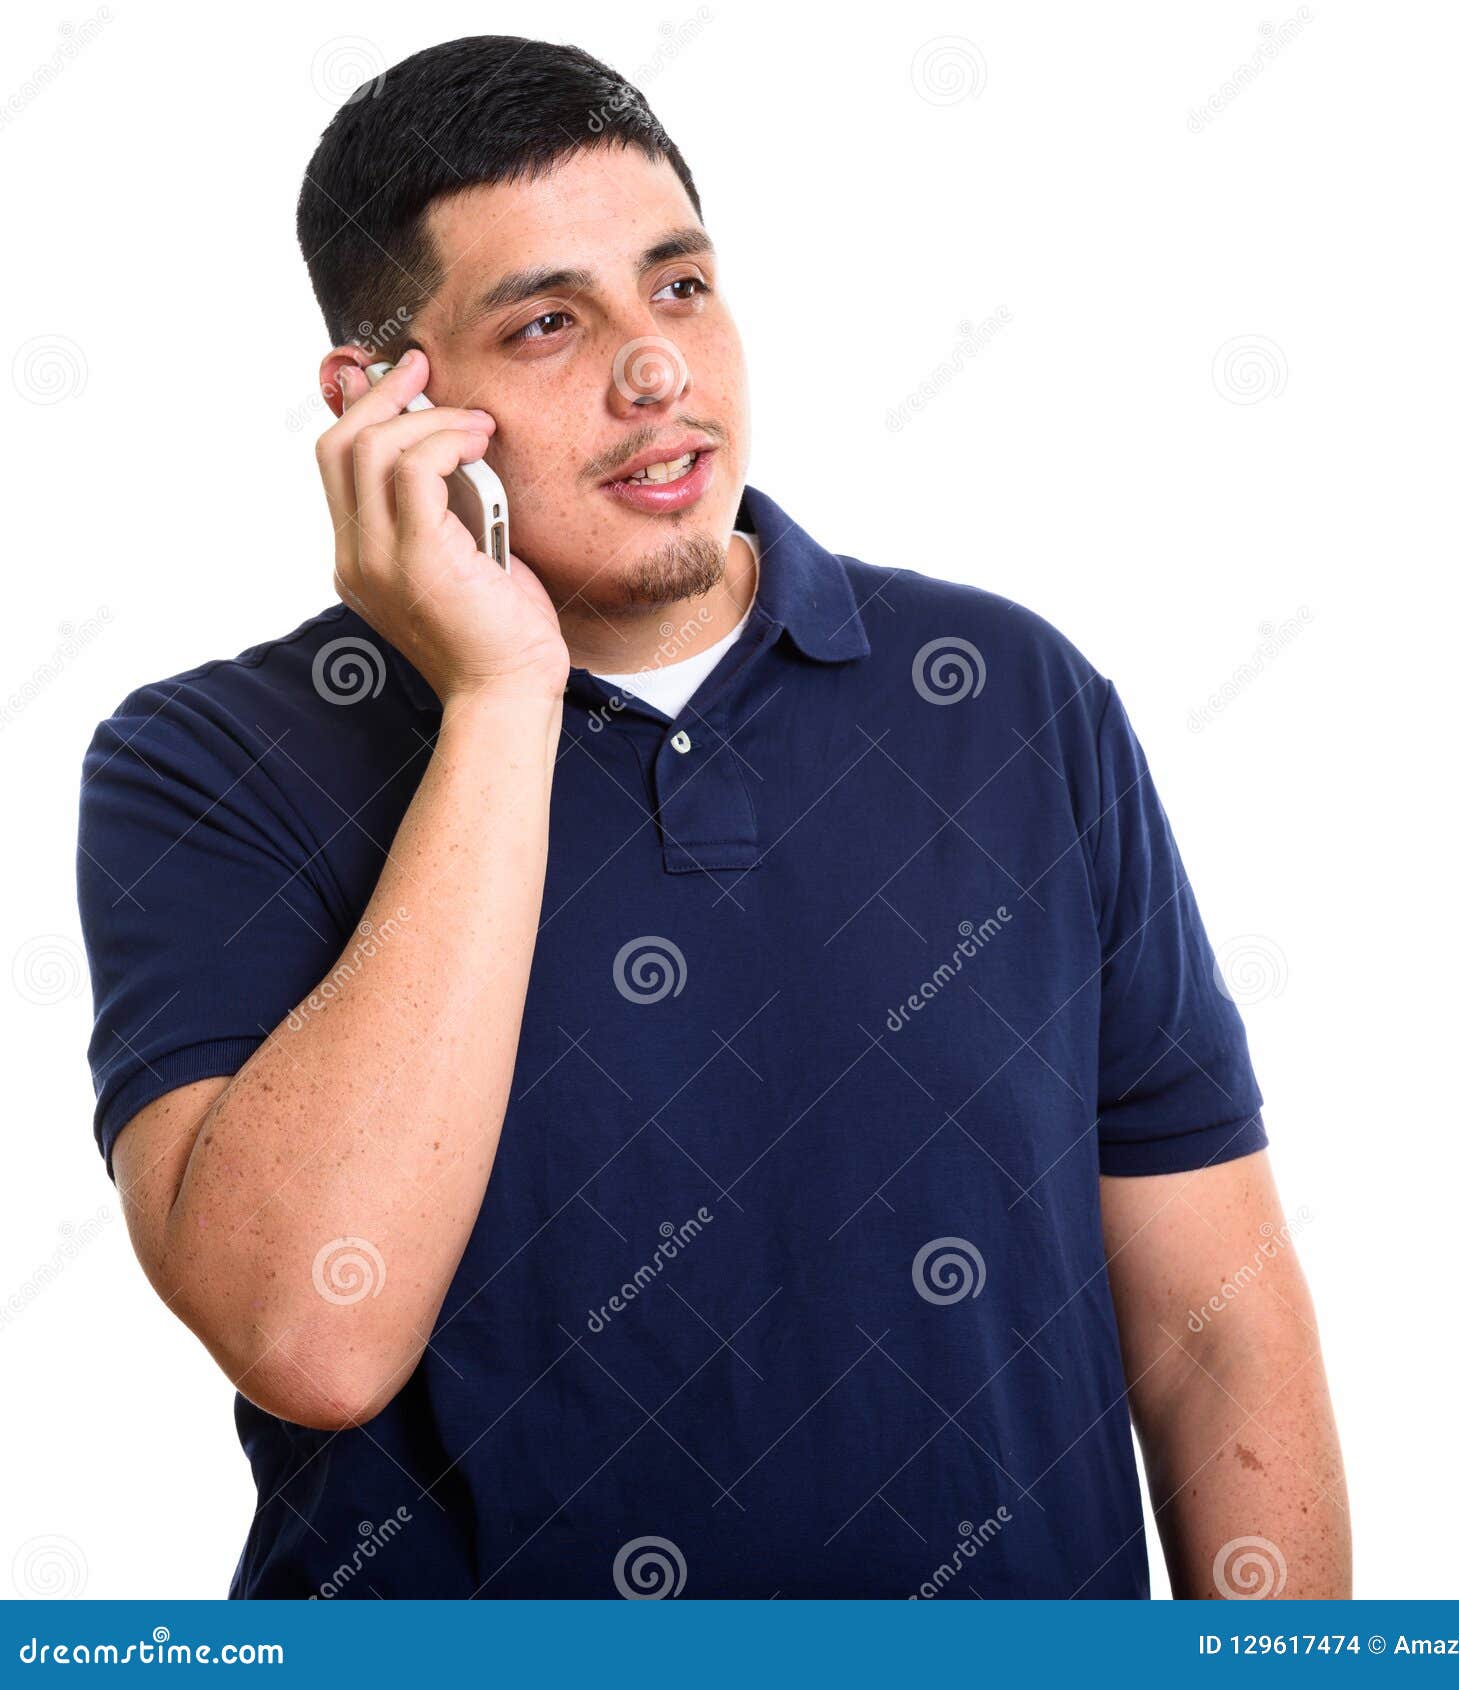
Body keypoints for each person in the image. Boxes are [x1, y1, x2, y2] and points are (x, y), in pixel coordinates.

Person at [76, 35, 1349, 1599]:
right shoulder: (207, 761)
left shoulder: (1006, 696)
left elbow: (1213, 1318)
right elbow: (311, 1335)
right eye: (549, 322)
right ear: (380, 401)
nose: (657, 371)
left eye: (679, 287)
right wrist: (495, 700)